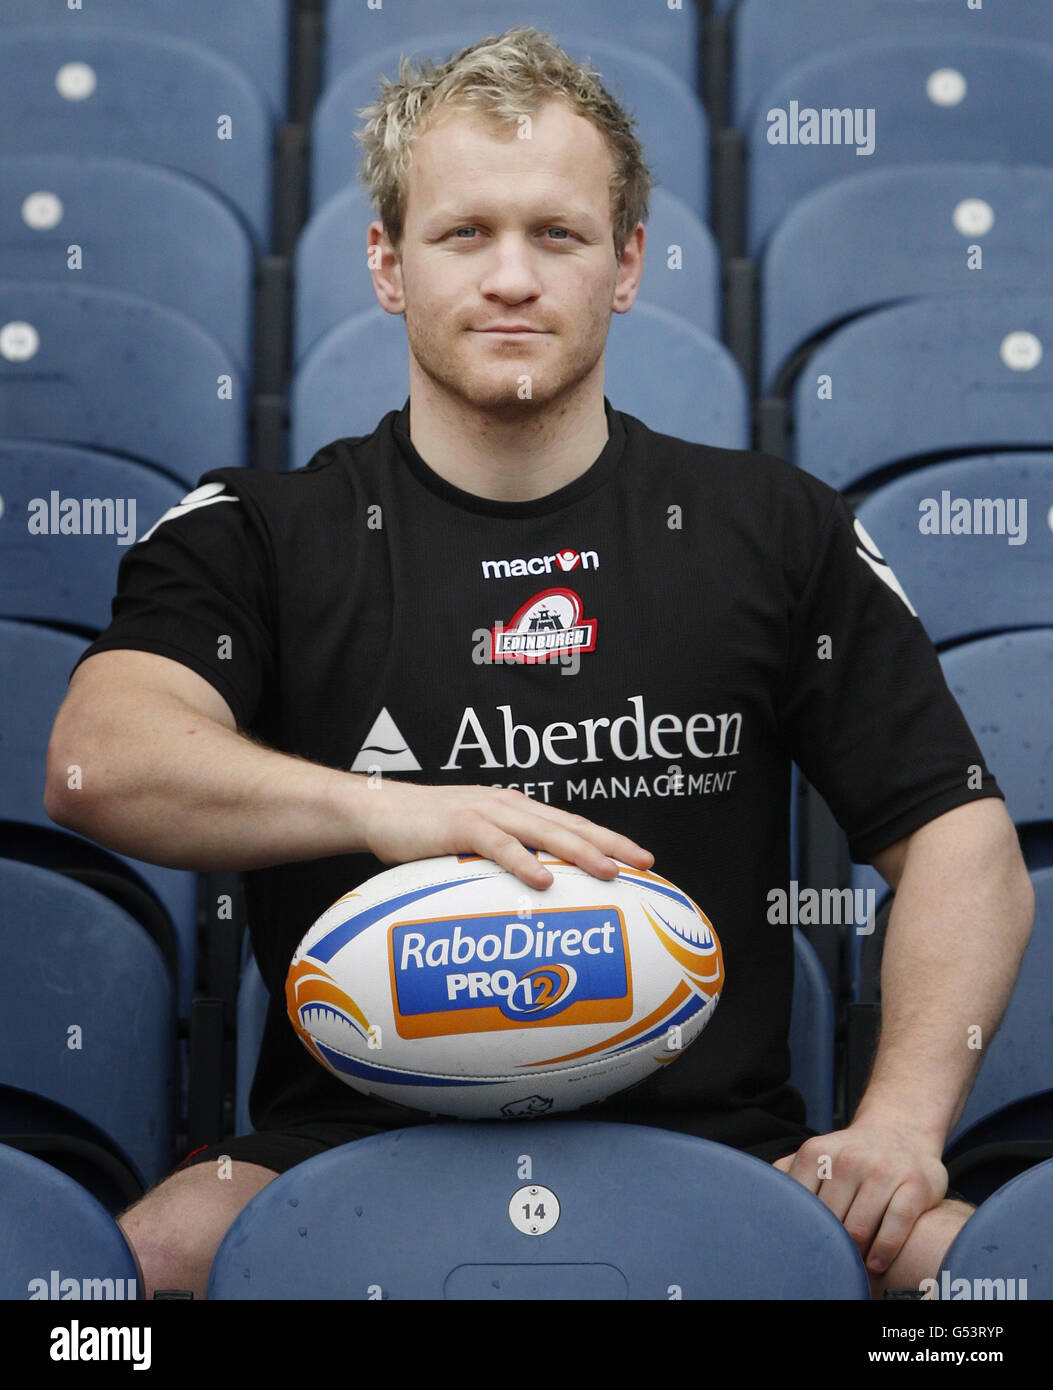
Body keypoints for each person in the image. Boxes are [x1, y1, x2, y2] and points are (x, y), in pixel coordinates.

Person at [44, 27, 1033, 1300]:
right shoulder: (257, 532)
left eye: (558, 235)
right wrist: (394, 810)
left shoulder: (773, 527)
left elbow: (963, 844)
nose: (512, 276)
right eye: (465, 234)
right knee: (101, 1297)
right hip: (337, 1147)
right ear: (386, 263)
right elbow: (91, 759)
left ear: (626, 266)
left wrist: (899, 1125)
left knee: (994, 1290)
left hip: (721, 1150)